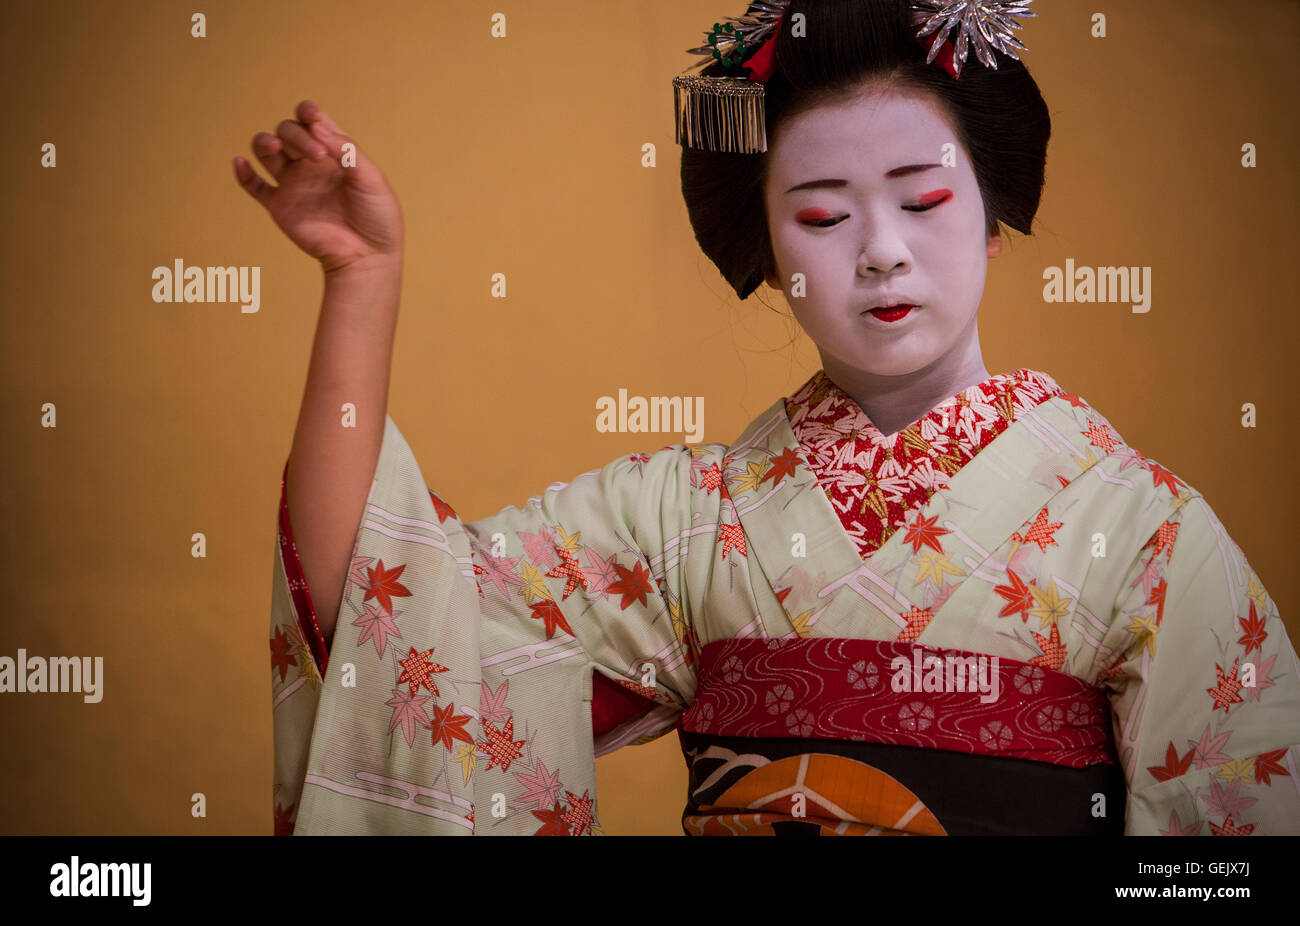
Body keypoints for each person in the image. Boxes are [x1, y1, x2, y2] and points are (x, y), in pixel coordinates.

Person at [245, 0, 1300, 835]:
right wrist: (362, 284)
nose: (879, 248)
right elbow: (391, 623)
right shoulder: (685, 519)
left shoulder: (1138, 529)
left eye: (922, 201)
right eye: (822, 214)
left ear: (991, 210)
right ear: (768, 251)